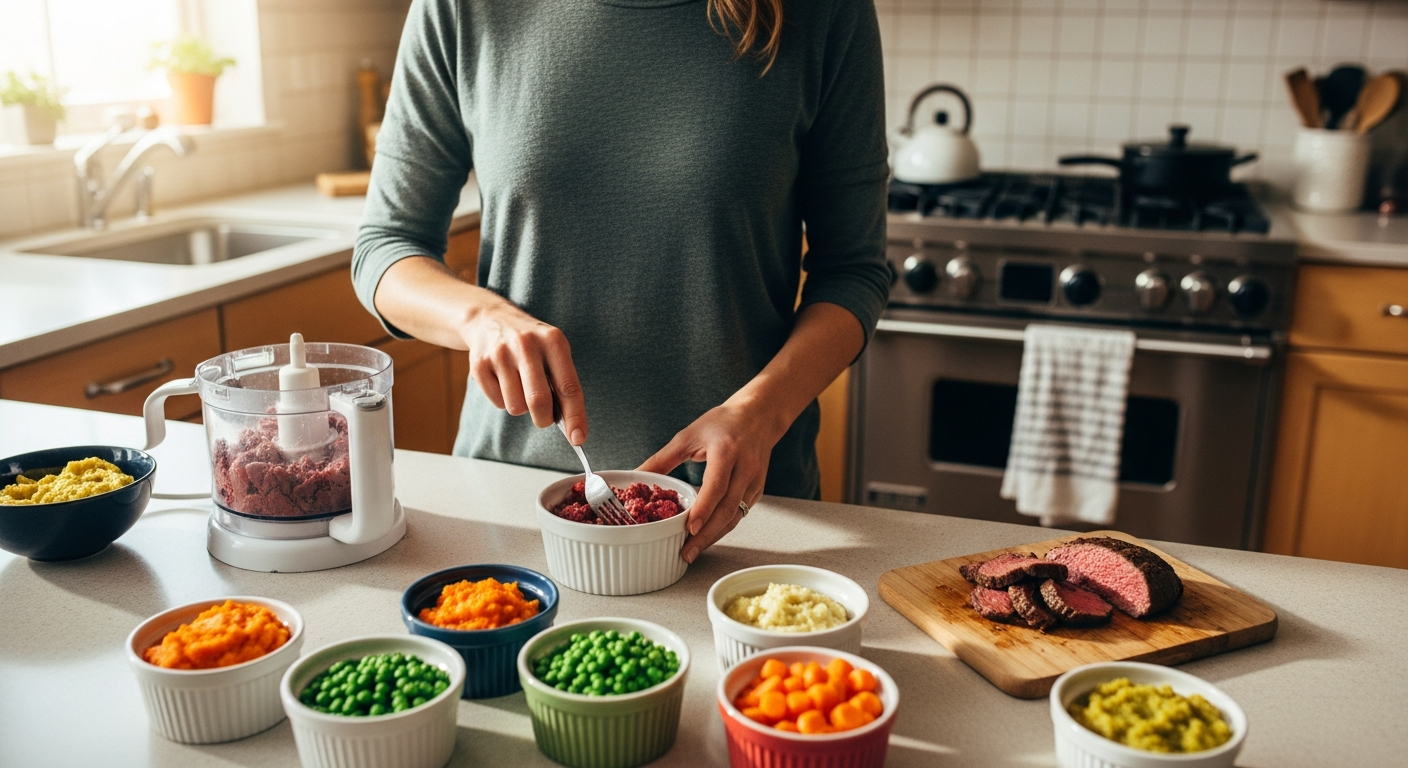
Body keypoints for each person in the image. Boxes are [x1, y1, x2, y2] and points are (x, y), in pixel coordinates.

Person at [353, 0, 889, 564]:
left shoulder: (826, 11)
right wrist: (480, 319)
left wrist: (761, 414)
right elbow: (386, 248)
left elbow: (853, 271)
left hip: (739, 509)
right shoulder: (462, 8)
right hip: (511, 498)